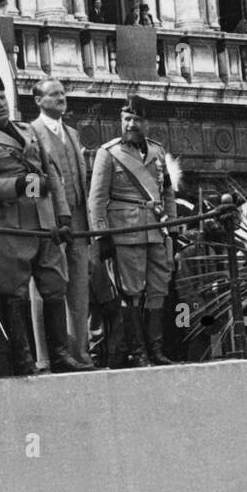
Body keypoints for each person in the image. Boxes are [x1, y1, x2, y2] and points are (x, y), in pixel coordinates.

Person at [0, 73, 88, 375]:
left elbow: (52, 175)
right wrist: (26, 185)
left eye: (2, 98)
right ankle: (23, 359)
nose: (1, 105)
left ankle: (60, 354)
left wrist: (64, 217)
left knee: (54, 287)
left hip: (45, 223)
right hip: (11, 225)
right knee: (13, 291)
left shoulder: (26, 130)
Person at [88, 96, 177, 367]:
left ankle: (156, 349)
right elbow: (97, 198)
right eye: (127, 118)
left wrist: (171, 227)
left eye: (137, 119)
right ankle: (137, 352)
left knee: (158, 290)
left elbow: (167, 193)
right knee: (132, 292)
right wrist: (102, 236)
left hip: (156, 230)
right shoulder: (109, 152)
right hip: (126, 232)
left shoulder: (158, 152)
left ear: (146, 122)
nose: (131, 124)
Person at [31, 79, 94, 368]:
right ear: (38, 100)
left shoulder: (72, 133)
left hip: (79, 222)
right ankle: (47, 357)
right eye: (54, 94)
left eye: (63, 94)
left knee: (79, 291)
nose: (61, 98)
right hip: (51, 224)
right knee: (48, 290)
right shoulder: (32, 132)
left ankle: (81, 352)